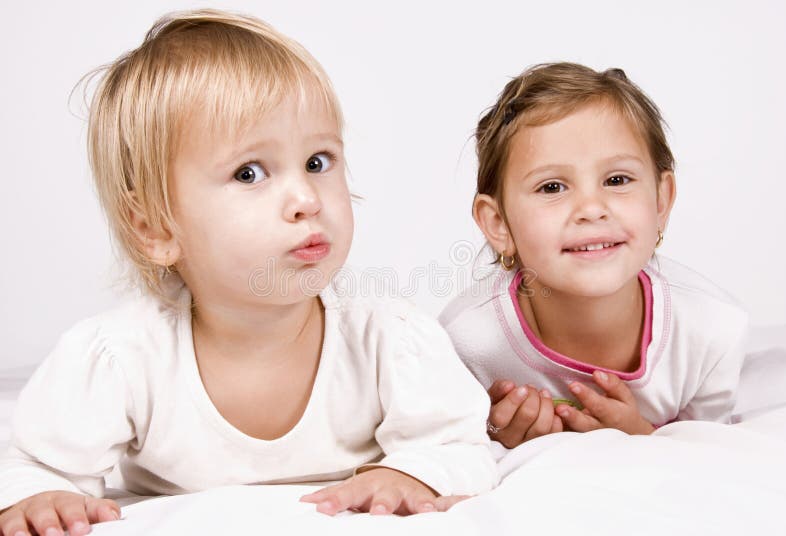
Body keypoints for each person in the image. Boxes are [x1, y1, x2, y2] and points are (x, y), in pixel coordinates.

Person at [0, 10, 497, 536]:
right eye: (249, 173)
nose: (306, 199)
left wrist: (410, 473)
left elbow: (458, 445)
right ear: (155, 227)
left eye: (318, 161)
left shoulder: (389, 340)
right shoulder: (121, 358)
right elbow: (36, 467)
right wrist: (40, 497)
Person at [440, 62, 747, 449]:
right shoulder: (467, 342)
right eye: (552, 187)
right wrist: (494, 435)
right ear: (498, 223)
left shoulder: (712, 329)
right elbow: (443, 443)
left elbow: (716, 462)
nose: (591, 208)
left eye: (617, 180)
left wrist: (641, 437)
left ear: (661, 200)